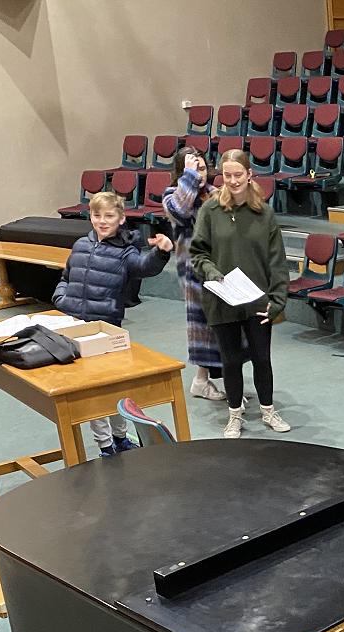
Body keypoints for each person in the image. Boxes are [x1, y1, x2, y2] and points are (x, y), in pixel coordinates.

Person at [52, 191, 172, 457]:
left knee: (114, 387)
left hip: (107, 328)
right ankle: (105, 445)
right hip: (76, 327)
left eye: (109, 216)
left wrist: (160, 252)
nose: (102, 221)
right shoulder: (81, 245)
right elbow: (66, 275)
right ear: (90, 217)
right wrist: (61, 297)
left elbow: (143, 267)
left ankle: (120, 438)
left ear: (120, 218)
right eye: (97, 215)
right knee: (92, 391)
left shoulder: (124, 251)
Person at [189, 149, 291, 439]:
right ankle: (234, 416)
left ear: (249, 175)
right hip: (222, 299)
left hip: (257, 300)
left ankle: (269, 411)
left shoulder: (264, 213)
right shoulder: (209, 211)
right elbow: (198, 253)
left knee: (262, 358)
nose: (232, 181)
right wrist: (210, 272)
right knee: (230, 360)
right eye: (227, 175)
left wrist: (277, 300)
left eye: (238, 175)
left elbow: (277, 262)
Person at [163, 145, 226, 401]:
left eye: (201, 168)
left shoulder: (214, 193)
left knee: (222, 323)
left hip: (218, 265)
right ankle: (201, 380)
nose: (199, 174)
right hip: (192, 269)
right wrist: (188, 177)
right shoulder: (171, 196)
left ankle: (218, 378)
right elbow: (181, 210)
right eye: (192, 169)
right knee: (202, 325)